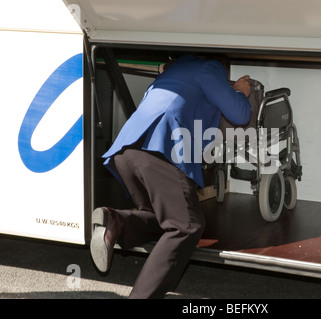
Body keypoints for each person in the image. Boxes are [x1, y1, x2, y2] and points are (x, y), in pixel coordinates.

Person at [90, 54, 251, 299]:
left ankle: (115, 222)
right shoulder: (210, 67)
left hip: (127, 150)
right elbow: (240, 114)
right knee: (186, 225)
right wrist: (240, 91)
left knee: (159, 219)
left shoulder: (173, 71)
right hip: (160, 147)